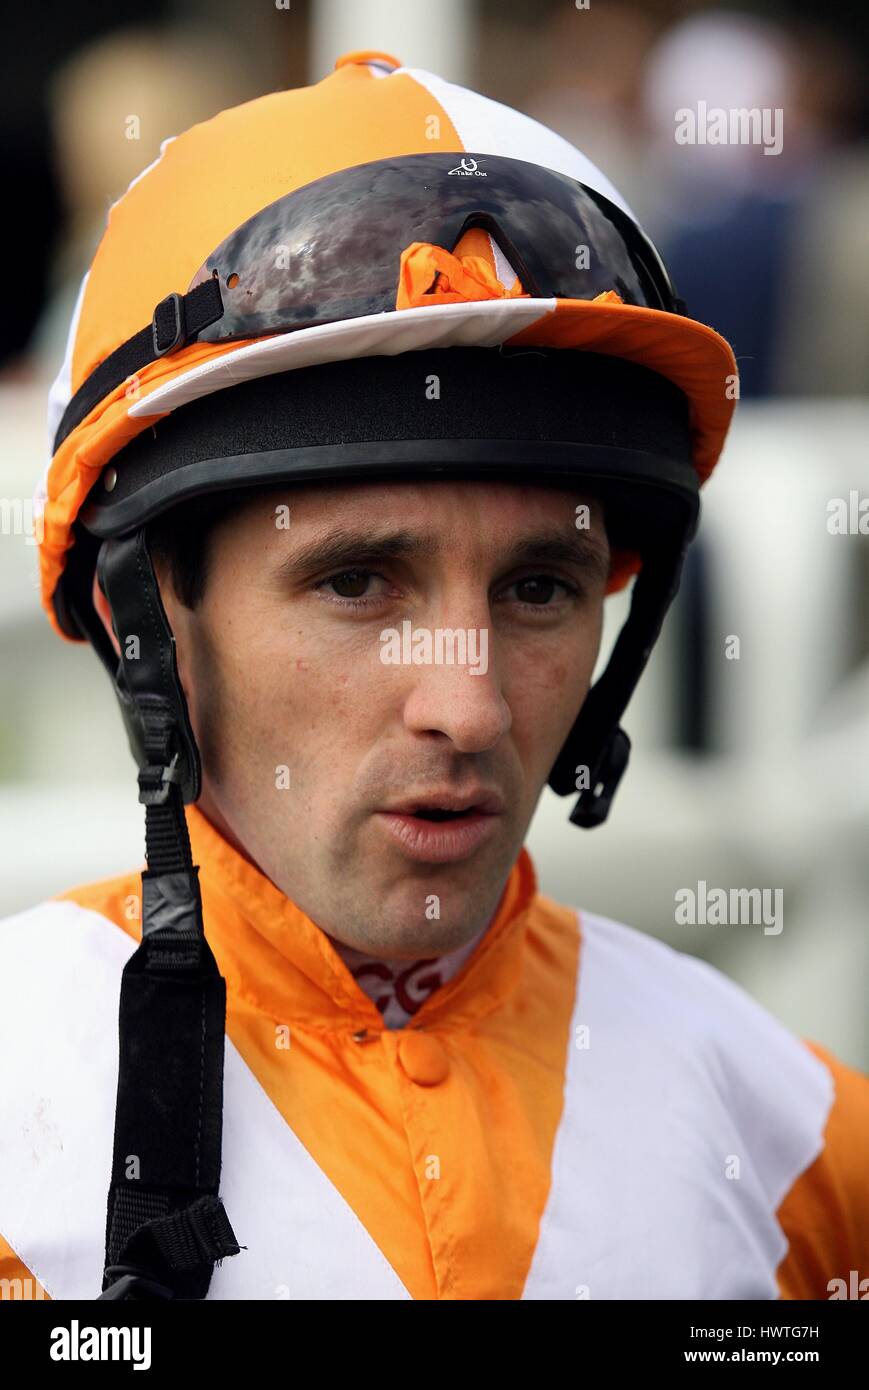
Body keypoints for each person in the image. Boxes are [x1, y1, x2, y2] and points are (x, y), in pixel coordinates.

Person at [1, 49, 866, 1302]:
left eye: (537, 589)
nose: (466, 709)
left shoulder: (800, 1143)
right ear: (143, 618)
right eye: (357, 583)